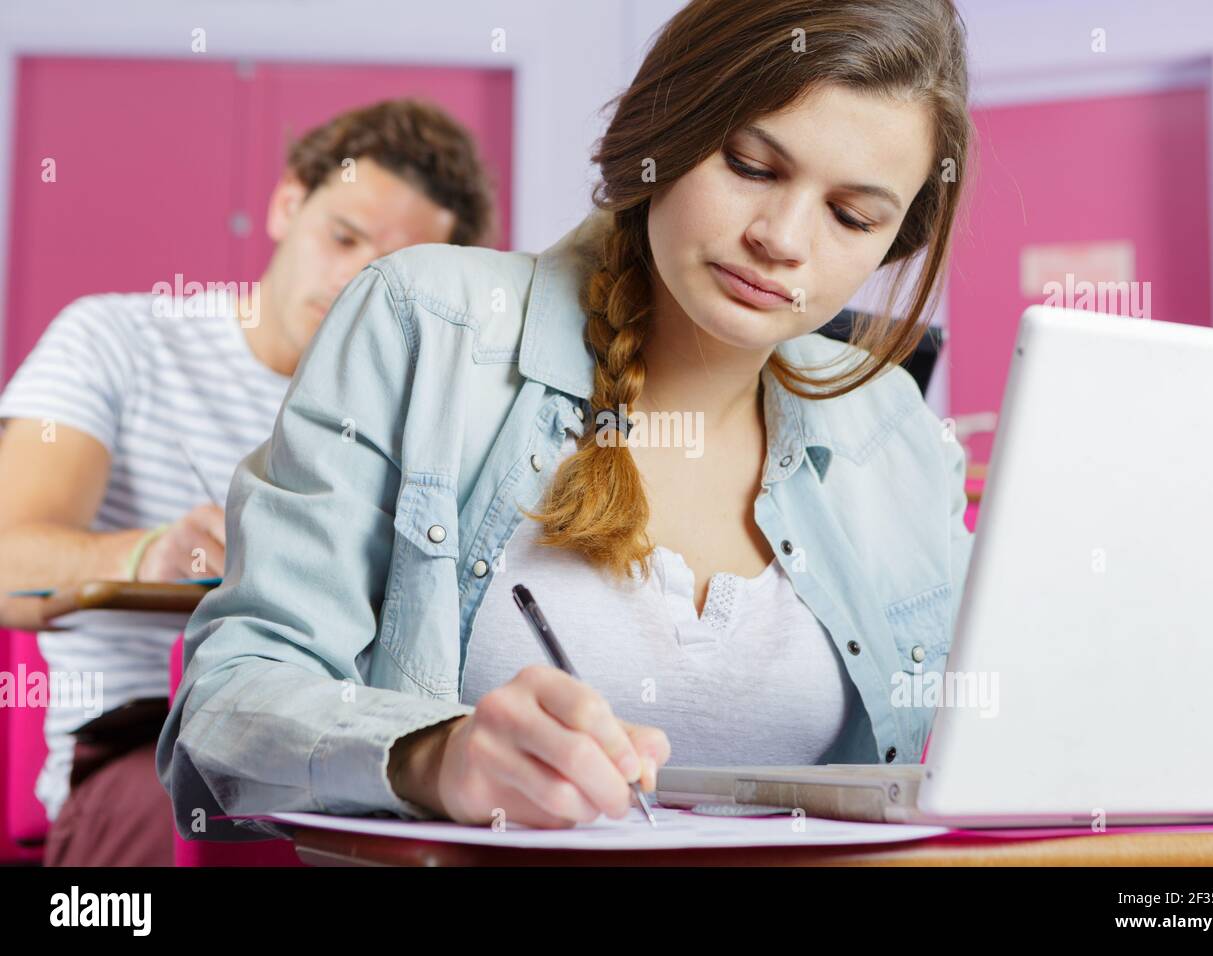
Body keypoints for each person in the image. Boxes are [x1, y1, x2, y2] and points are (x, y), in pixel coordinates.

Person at [159, 0, 975, 839]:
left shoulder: (892, 429)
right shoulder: (426, 323)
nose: (783, 239)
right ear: (668, 127)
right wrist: (434, 757)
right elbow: (226, 707)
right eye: (751, 166)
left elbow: (990, 735)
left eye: (852, 217)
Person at [0, 97, 497, 864]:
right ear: (288, 203)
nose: (349, 283)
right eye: (342, 237)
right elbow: (8, 559)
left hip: (351, 741)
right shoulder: (113, 340)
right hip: (142, 744)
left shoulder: (426, 422)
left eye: (386, 273)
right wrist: (146, 556)